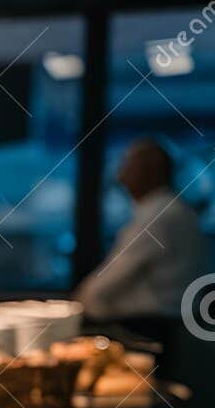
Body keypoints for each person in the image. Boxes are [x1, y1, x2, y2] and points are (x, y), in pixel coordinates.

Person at [73, 138, 206, 322]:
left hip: (153, 324)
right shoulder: (171, 209)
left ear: (152, 171)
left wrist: (80, 305)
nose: (120, 174)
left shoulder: (159, 216)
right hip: (169, 321)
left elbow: (106, 283)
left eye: (128, 164)